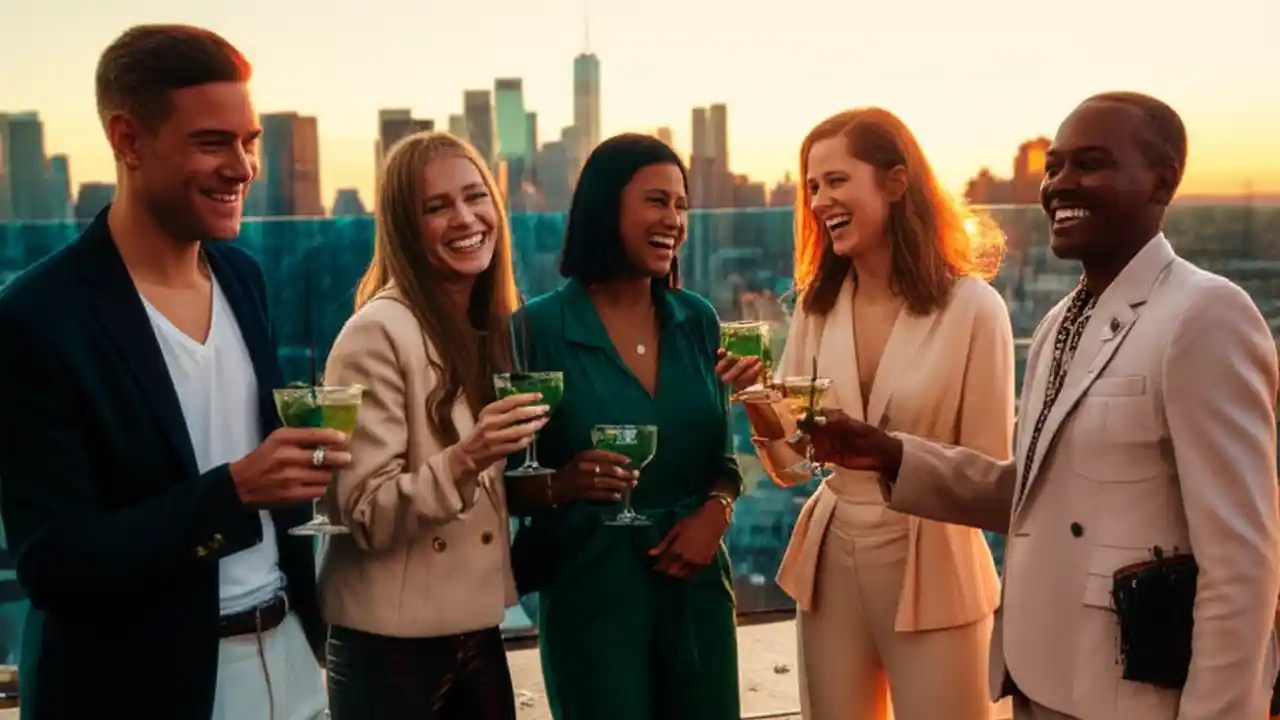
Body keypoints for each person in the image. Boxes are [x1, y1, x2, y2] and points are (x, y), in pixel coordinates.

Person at [806, 92, 1280, 720]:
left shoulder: (1205, 314)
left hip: (1130, 694)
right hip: (1040, 677)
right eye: (1053, 167)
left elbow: (1242, 565)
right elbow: (1032, 494)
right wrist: (891, 455)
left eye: (1091, 163)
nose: (1060, 184)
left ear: (1162, 182)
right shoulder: (1059, 323)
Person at [0, 24, 346, 719]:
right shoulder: (36, 316)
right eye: (212, 142)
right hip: (145, 688)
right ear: (128, 140)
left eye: (248, 141)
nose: (243, 168)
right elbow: (54, 563)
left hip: (291, 660)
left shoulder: (243, 277)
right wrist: (233, 492)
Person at [722, 107, 1011, 720]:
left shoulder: (974, 309)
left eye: (836, 180)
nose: (820, 201)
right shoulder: (816, 308)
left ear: (896, 182)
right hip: (831, 559)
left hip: (935, 566)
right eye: (812, 187)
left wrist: (893, 456)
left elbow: (993, 478)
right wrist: (758, 402)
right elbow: (790, 468)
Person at [505, 133, 744, 719]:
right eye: (656, 201)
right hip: (593, 599)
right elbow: (501, 484)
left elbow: (722, 461)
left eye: (681, 205)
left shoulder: (698, 320)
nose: (674, 221)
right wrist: (562, 484)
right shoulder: (536, 330)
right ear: (605, 207)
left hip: (696, 596)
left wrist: (716, 513)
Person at [318, 131, 547, 720]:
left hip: (475, 629)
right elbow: (364, 512)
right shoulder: (376, 334)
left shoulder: (485, 328)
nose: (465, 218)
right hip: (390, 651)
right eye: (437, 206)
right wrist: (468, 457)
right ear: (405, 228)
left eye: (475, 197)